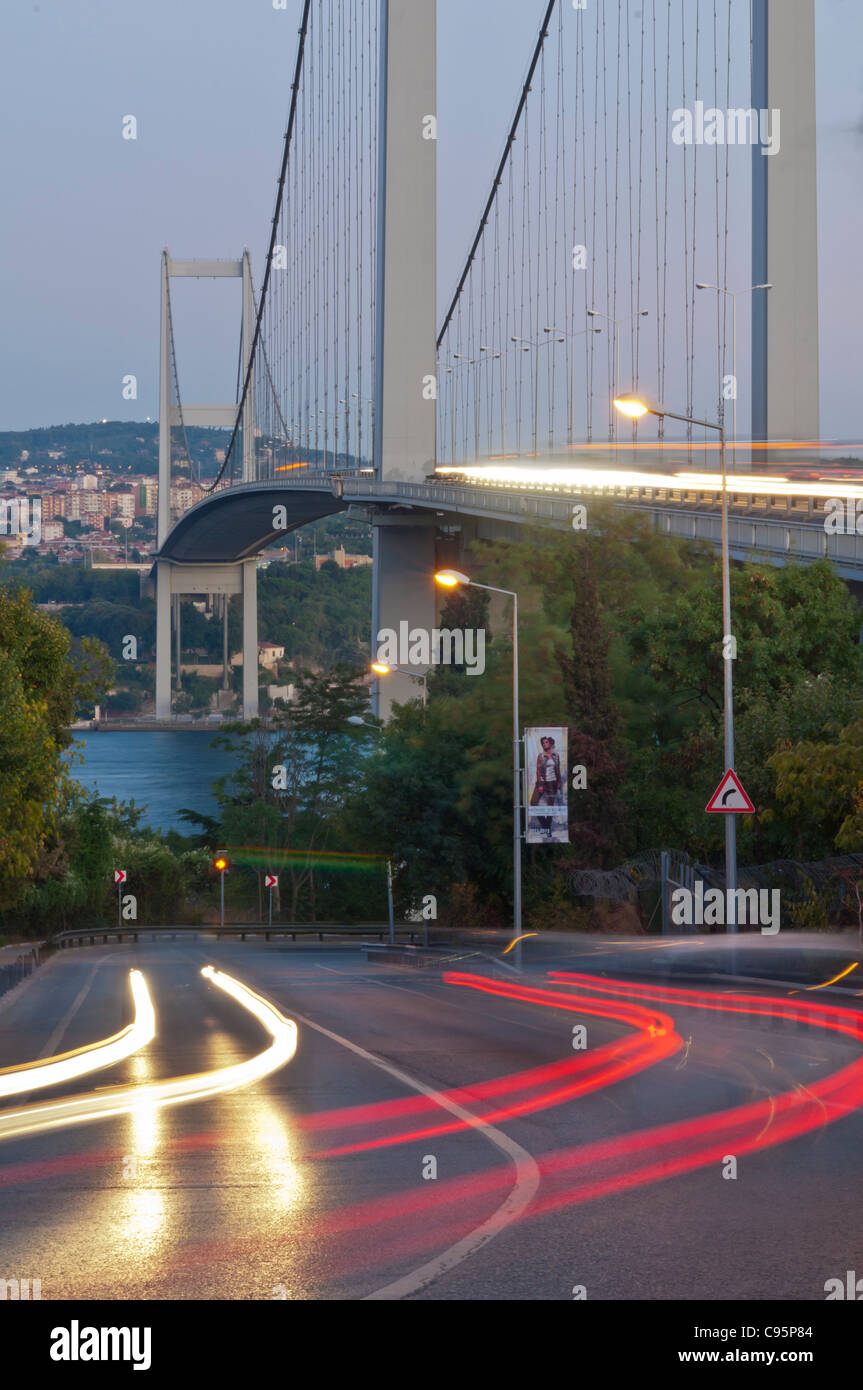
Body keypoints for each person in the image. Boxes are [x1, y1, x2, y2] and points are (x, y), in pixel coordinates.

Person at [534, 735, 562, 840]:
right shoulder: (540, 756)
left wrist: (559, 781)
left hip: (553, 783)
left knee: (550, 807)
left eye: (546, 742)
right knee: (533, 803)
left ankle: (547, 830)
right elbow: (538, 771)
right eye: (543, 743)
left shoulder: (556, 755)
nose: (544, 744)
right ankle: (545, 825)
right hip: (543, 782)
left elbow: (558, 769)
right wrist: (540, 784)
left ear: (550, 743)